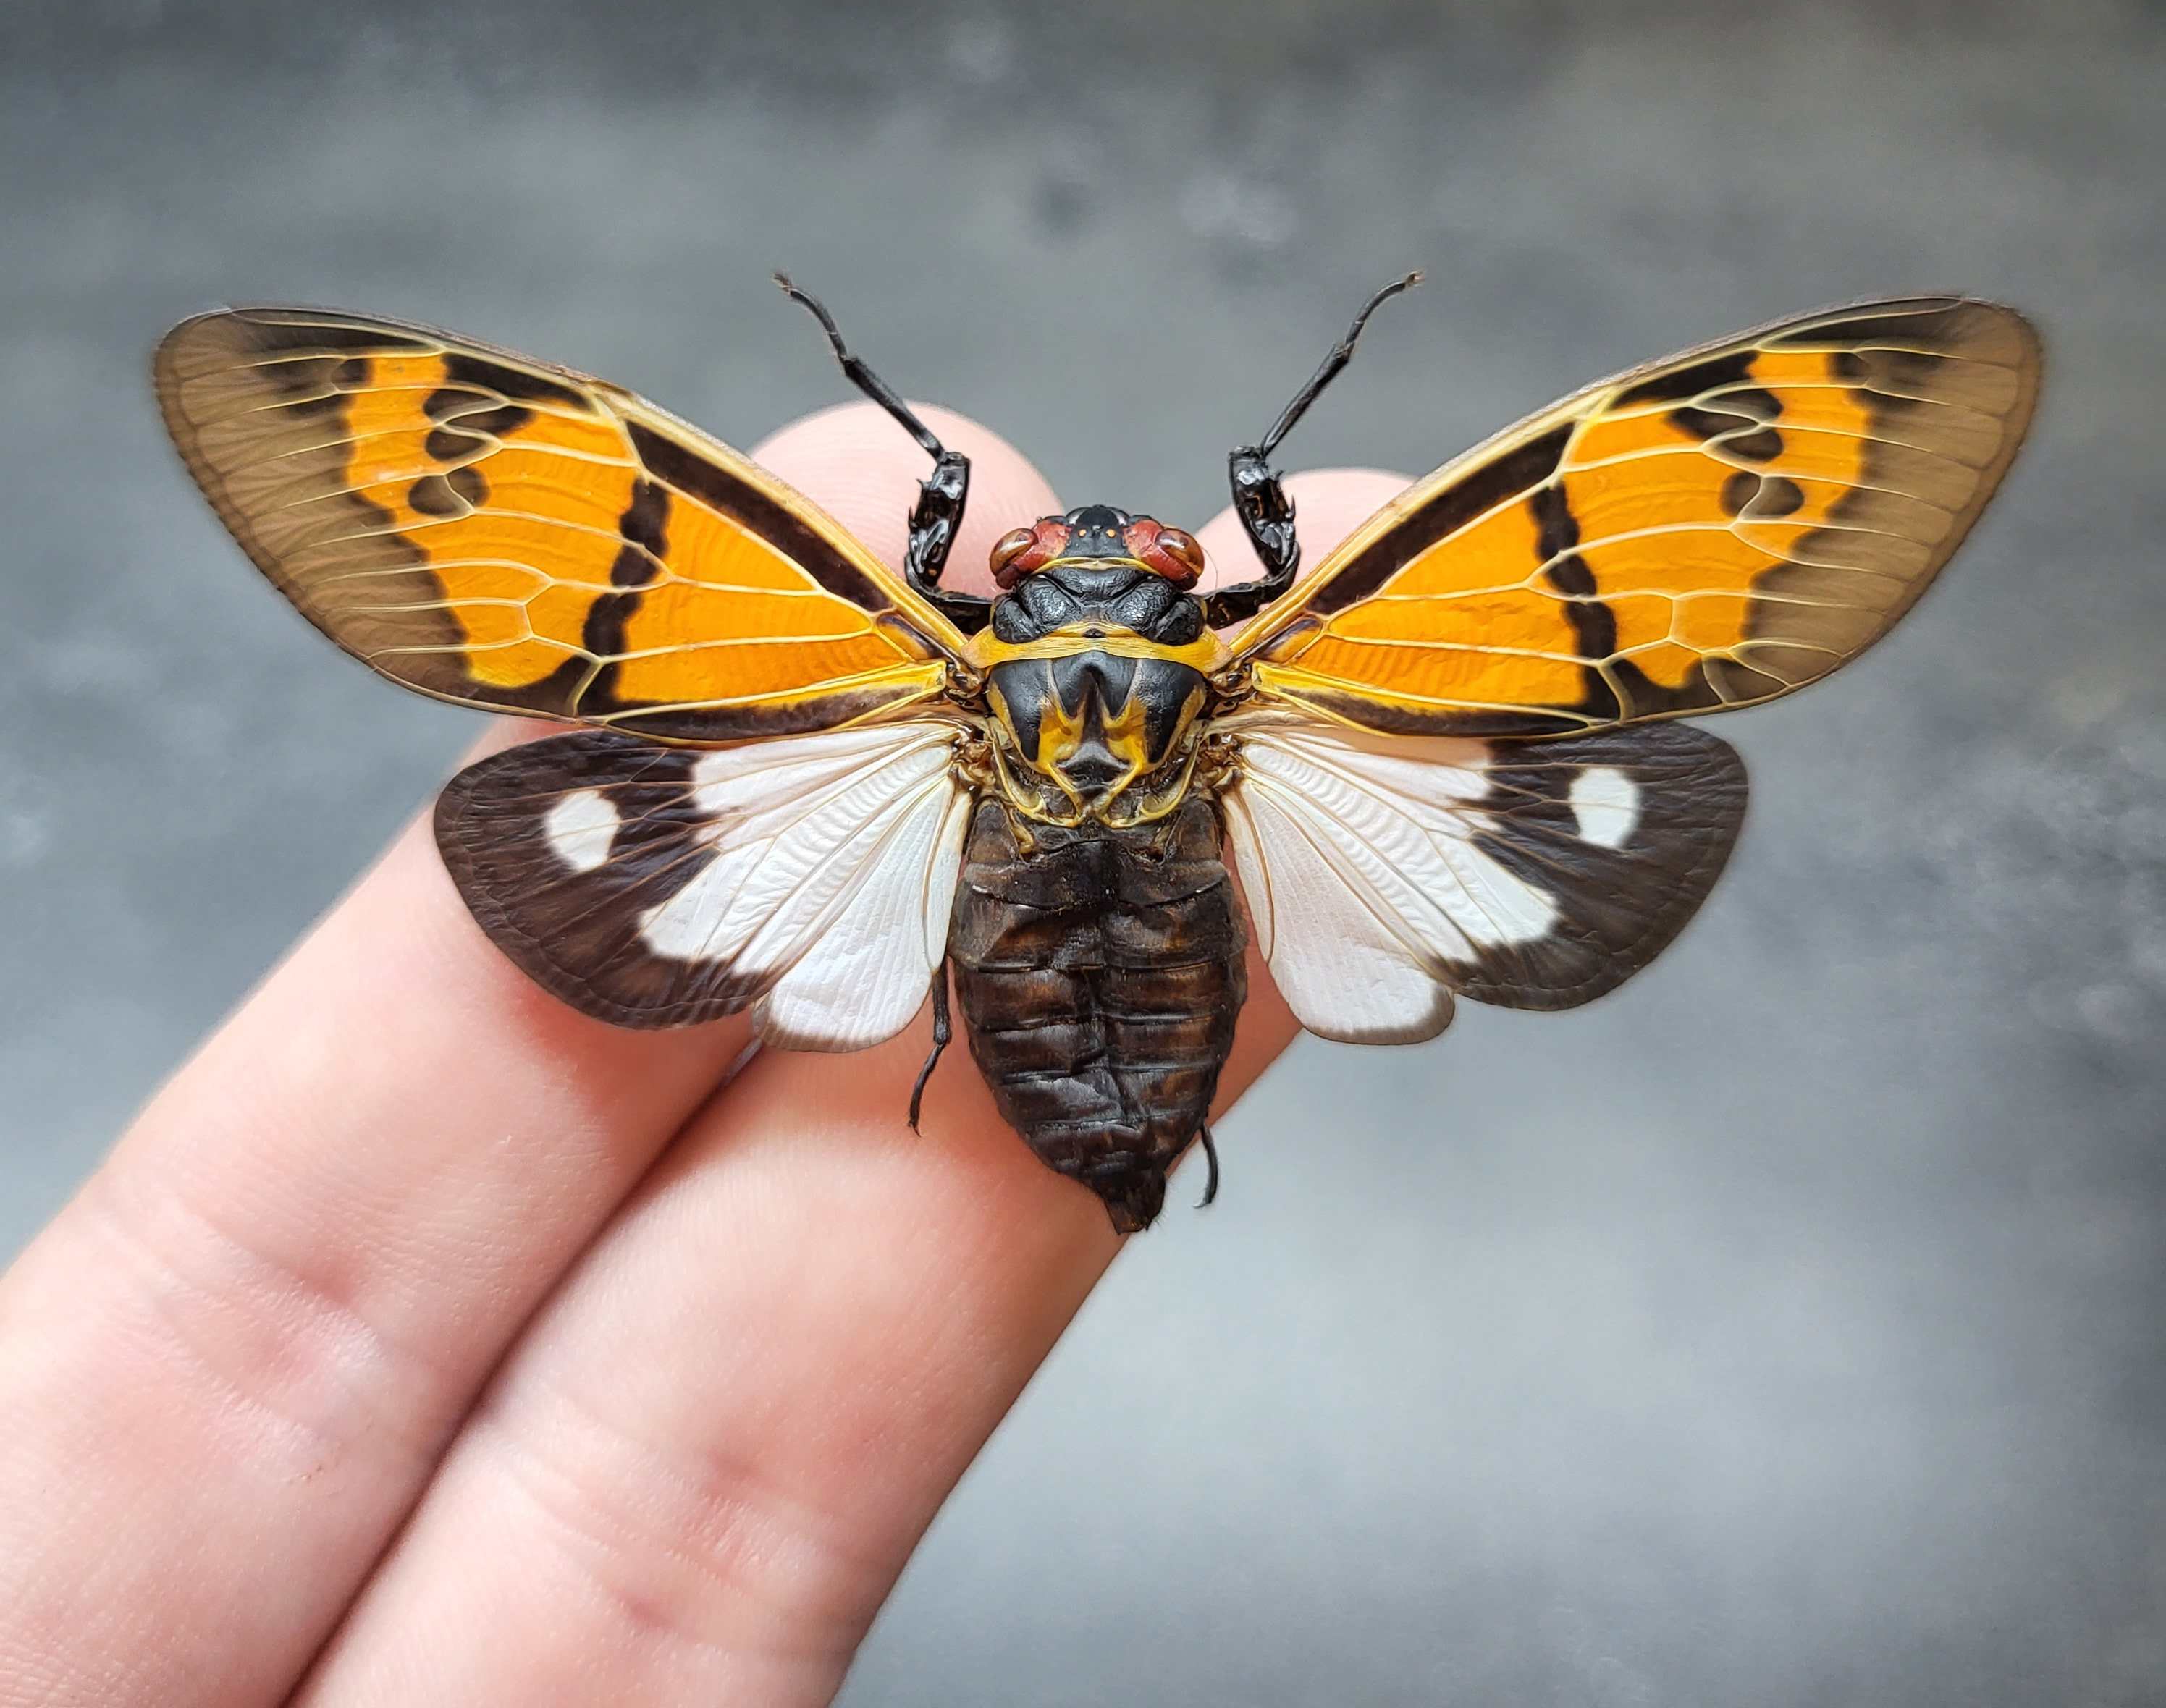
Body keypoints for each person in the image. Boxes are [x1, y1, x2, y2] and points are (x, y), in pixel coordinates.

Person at [0, 399, 1406, 1708]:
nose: (1094, 554)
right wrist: (1255, 492)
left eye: (1108, 558)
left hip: (1002, 895)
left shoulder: (947, 625)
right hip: (1168, 928)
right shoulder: (1237, 643)